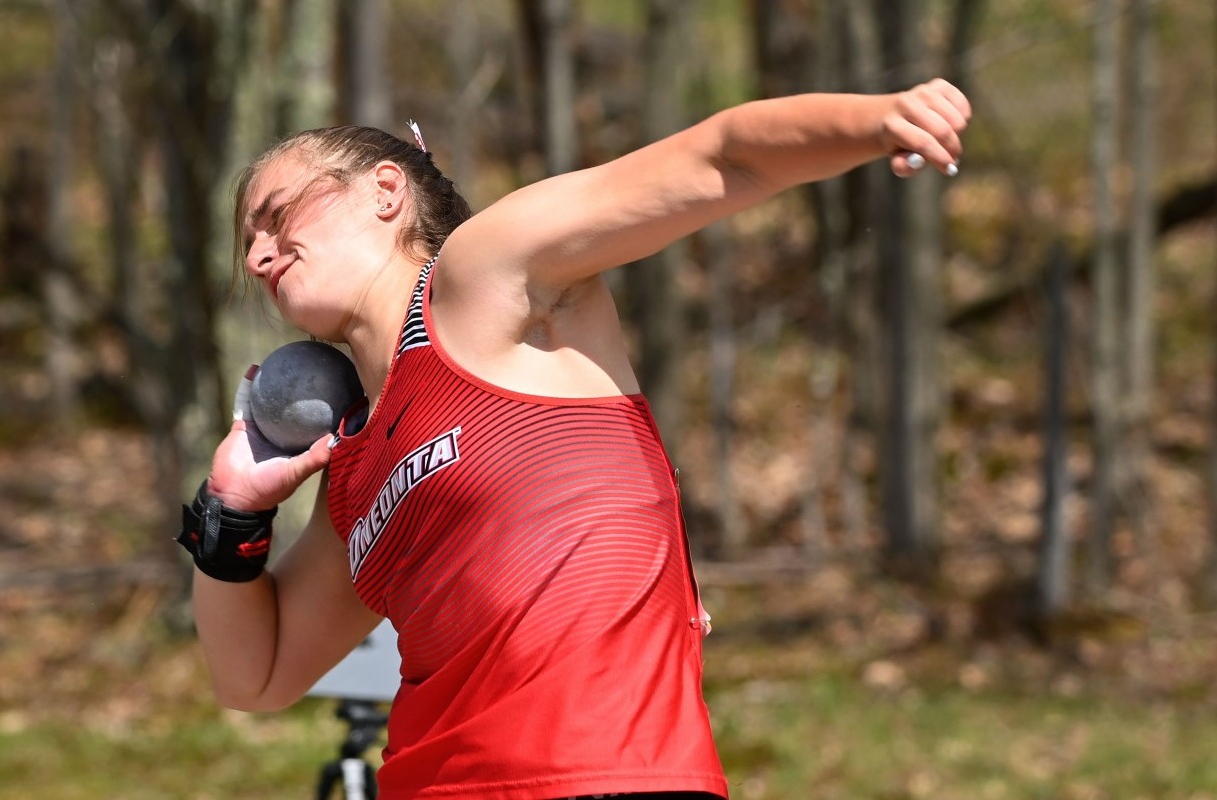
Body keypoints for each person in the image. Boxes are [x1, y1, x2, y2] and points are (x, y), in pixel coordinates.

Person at [177, 78, 972, 800]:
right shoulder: (352, 470)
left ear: (386, 191)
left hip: (602, 777)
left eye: (277, 217)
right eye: (247, 243)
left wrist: (877, 119)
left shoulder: (484, 274)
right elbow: (260, 676)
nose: (257, 254)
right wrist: (231, 515)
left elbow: (722, 155)